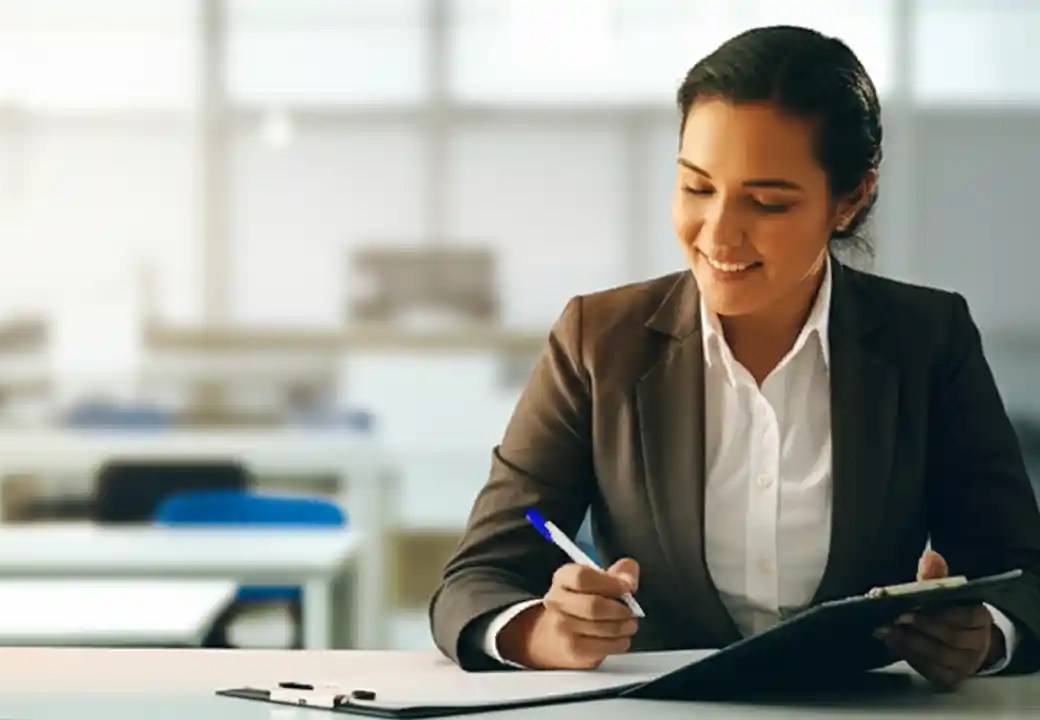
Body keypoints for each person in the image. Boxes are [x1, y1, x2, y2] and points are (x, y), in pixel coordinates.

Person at [429, 25, 1040, 690]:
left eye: (767, 201)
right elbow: (475, 579)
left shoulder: (928, 338)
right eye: (697, 188)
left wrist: (982, 635)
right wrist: (539, 631)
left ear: (851, 198)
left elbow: (1022, 575)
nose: (718, 232)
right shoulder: (598, 339)